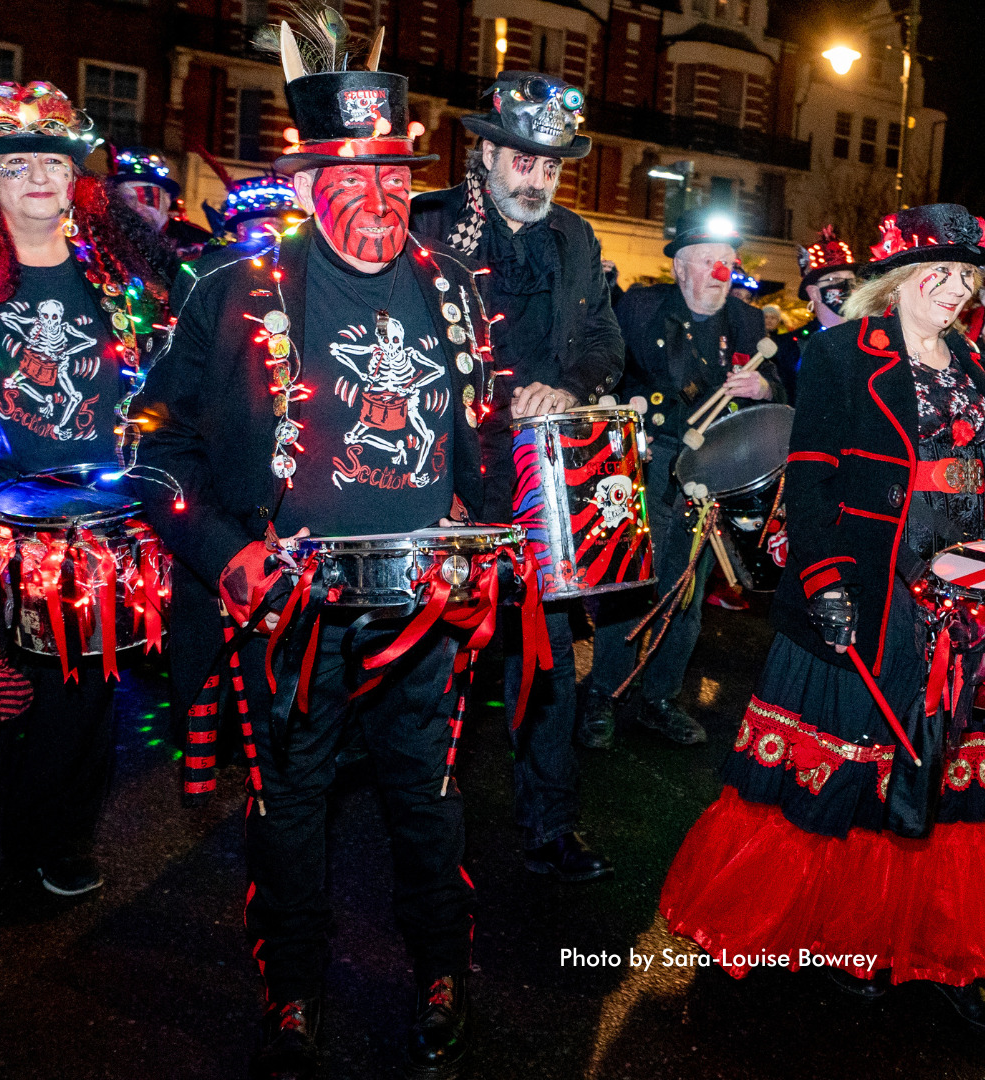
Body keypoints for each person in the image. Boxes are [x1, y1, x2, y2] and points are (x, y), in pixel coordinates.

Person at [133, 26, 488, 1078]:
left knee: (428, 795)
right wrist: (225, 553)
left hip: (425, 601)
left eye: (395, 178)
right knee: (289, 804)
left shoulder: (453, 289)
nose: (380, 201)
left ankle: (442, 969)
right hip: (290, 607)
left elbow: (480, 439)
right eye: (354, 179)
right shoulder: (234, 291)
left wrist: (486, 510)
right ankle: (291, 990)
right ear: (305, 185)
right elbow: (153, 447)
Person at [660, 203, 985, 1025]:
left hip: (965, 605)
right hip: (874, 594)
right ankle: (845, 936)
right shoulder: (844, 354)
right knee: (850, 772)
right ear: (900, 280)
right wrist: (827, 582)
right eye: (940, 273)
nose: (956, 290)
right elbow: (810, 481)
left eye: (967, 276)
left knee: (945, 780)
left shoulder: (976, 365)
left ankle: (929, 942)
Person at [0, 80, 175, 944]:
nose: (35, 179)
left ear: (75, 179)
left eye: (51, 163)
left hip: (100, 530)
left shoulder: (122, 276)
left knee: (81, 709)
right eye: (14, 165)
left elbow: (172, 375)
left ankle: (55, 846)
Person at [410, 70, 623, 883]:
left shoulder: (574, 237)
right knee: (434, 664)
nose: (538, 177)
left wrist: (568, 388)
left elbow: (603, 339)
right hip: (446, 475)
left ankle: (550, 826)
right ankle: (423, 832)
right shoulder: (427, 222)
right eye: (524, 160)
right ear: (488, 155)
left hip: (540, 481)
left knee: (546, 662)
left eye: (552, 165)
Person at [581, 212, 785, 749]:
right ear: (679, 267)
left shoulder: (746, 321)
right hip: (646, 460)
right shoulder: (641, 307)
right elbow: (606, 369)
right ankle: (603, 694)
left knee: (686, 591)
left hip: (709, 469)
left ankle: (659, 698)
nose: (721, 270)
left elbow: (776, 390)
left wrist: (762, 388)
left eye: (727, 261)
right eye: (708, 259)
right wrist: (617, 420)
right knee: (629, 582)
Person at [777, 225, 858, 402]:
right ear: (814, 292)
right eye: (835, 279)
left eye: (850, 280)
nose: (846, 286)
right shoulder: (790, 348)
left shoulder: (873, 339)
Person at [111, 146, 211, 257]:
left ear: (167, 200)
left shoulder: (199, 240)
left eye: (147, 198)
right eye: (128, 199)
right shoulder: (107, 239)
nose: (137, 208)